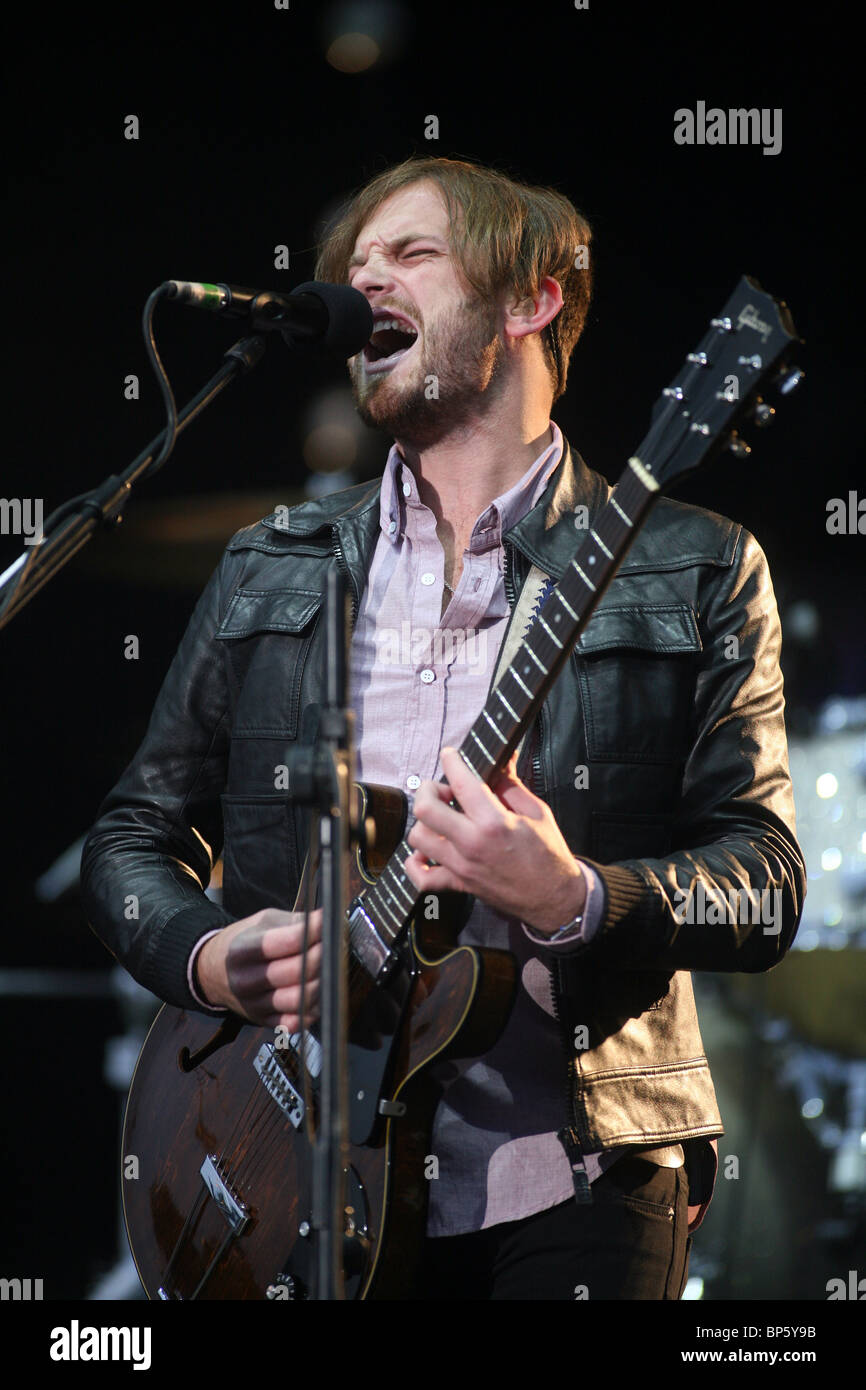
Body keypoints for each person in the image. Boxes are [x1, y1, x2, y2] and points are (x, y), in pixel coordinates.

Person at [80, 155, 806, 1301]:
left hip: (569, 1179)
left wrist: (575, 896)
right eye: (354, 265)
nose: (364, 279)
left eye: (409, 255)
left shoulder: (699, 566)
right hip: (292, 1169)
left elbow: (764, 883)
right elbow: (131, 836)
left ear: (529, 301)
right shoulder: (277, 565)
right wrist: (211, 957)